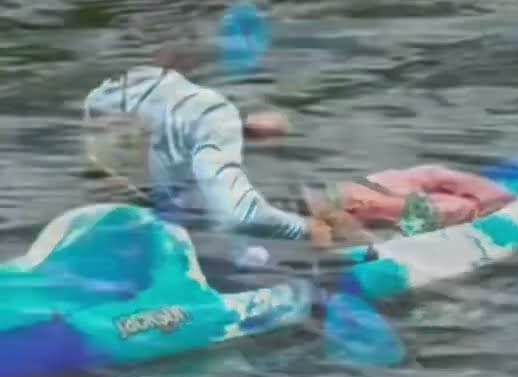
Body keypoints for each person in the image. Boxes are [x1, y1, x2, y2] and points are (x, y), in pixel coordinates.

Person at [81, 52, 363, 252]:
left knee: (315, 204)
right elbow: (237, 216)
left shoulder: (108, 96)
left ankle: (357, 243)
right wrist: (304, 229)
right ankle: (356, 247)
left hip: (161, 215)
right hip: (201, 228)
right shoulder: (208, 115)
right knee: (317, 211)